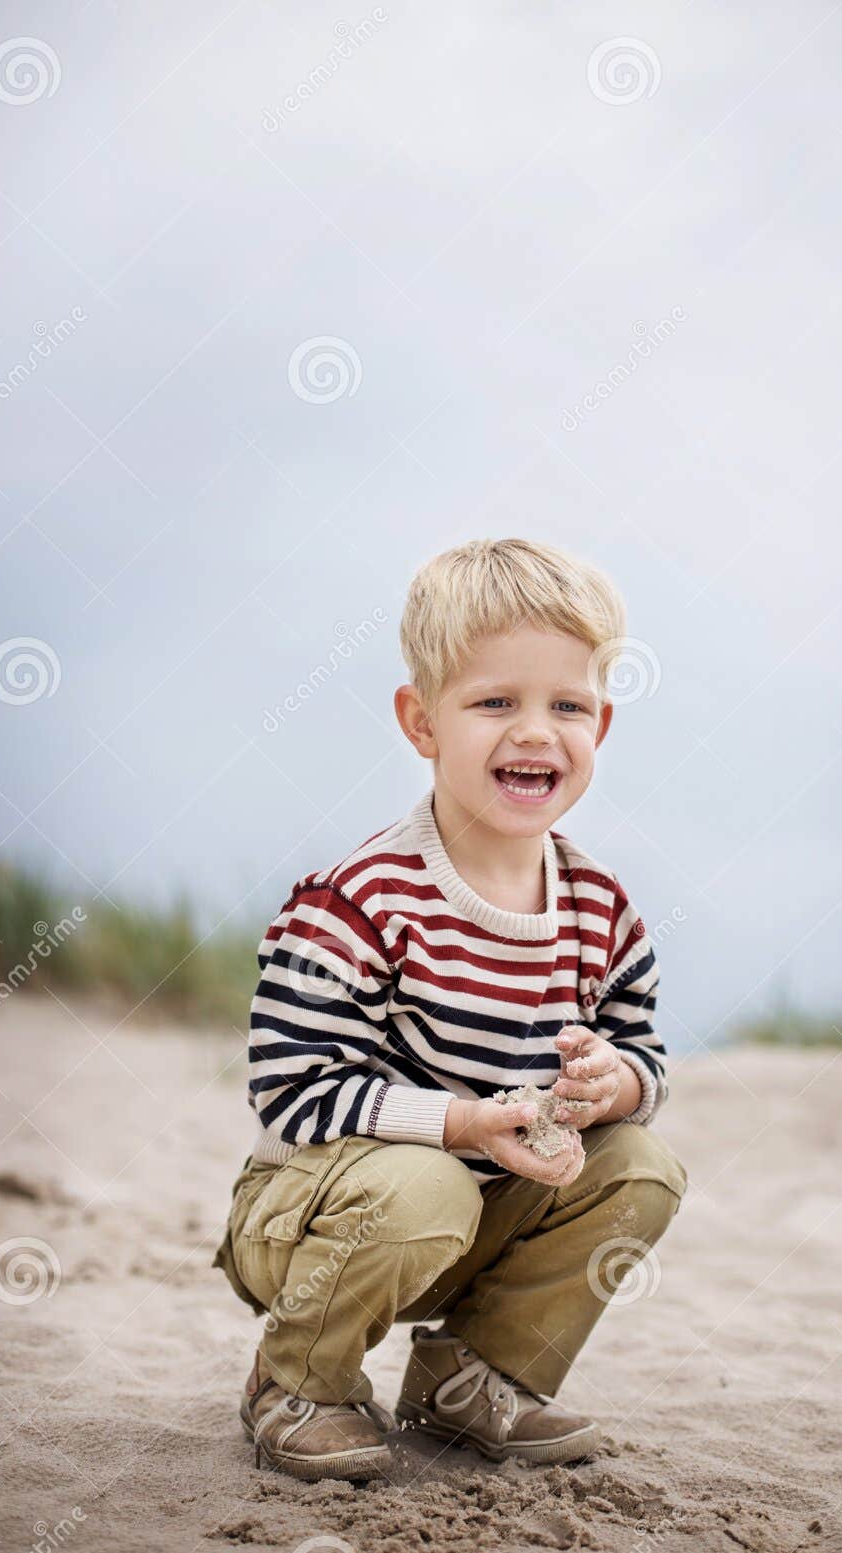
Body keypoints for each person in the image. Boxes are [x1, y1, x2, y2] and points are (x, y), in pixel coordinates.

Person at [213, 537, 687, 1480]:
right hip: (315, 1218)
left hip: (476, 1217)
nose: (535, 732)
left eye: (567, 706)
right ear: (421, 720)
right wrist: (461, 1123)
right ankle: (299, 1378)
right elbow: (292, 1090)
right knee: (423, 1184)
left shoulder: (600, 909)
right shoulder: (361, 900)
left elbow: (642, 1045)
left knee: (642, 1164)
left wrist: (616, 1080)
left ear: (602, 726)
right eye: (494, 703)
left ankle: (470, 1377)